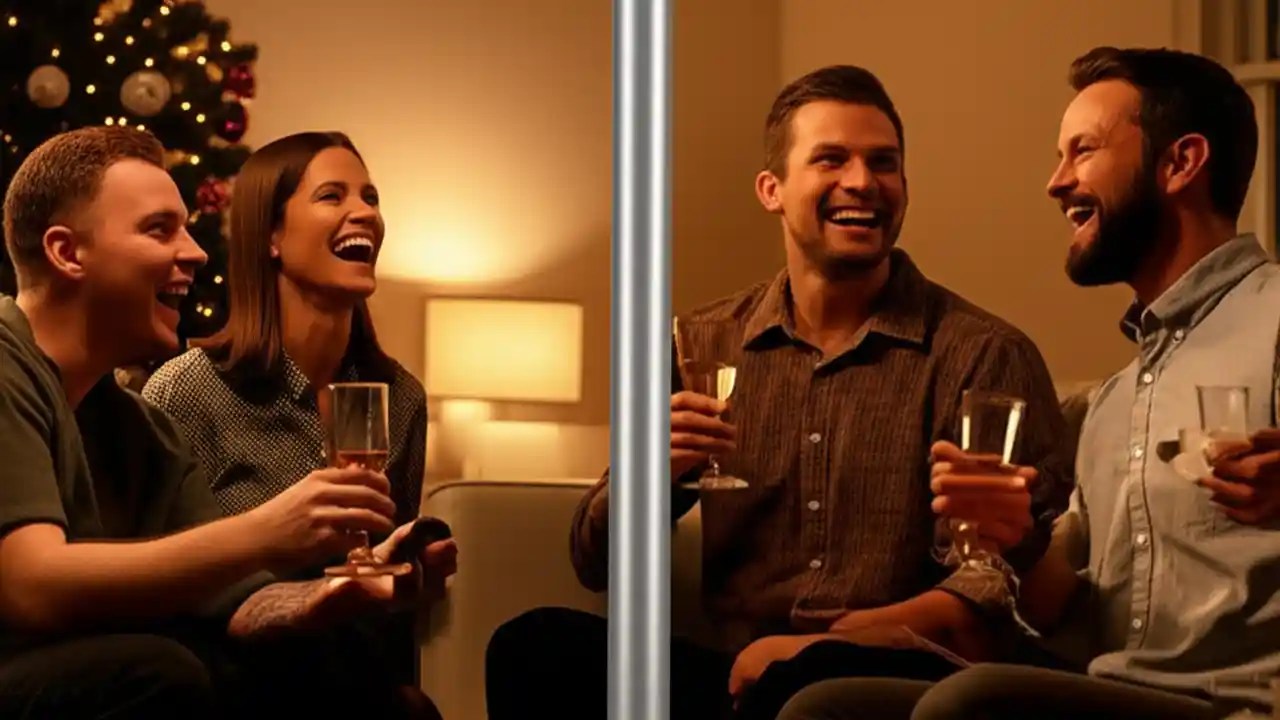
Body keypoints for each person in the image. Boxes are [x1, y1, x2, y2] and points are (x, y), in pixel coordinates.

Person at [484, 64, 1075, 720]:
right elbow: (594, 562)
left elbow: (994, 590)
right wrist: (651, 475)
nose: (862, 182)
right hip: (738, 671)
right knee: (532, 645)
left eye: (884, 163)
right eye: (831, 159)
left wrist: (811, 646)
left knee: (809, 682)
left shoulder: (983, 354)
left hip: (890, 676)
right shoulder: (704, 343)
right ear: (772, 189)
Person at [776, 46, 1280, 720]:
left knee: (971, 702)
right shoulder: (1116, 399)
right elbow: (1070, 614)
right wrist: (1017, 538)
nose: (1056, 181)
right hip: (1117, 696)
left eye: (1083, 150)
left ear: (1180, 163)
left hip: (1241, 707)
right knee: (826, 705)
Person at [0, 125, 445, 720]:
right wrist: (268, 530)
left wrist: (344, 592)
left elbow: (236, 601)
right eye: (159, 230)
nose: (197, 251)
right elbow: (32, 588)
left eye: (186, 227)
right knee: (159, 670)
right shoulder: (6, 363)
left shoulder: (139, 428)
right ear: (66, 252)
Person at [140, 131, 452, 717]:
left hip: (357, 671)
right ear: (273, 237)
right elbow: (166, 586)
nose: (365, 212)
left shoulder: (401, 397)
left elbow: (386, 591)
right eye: (332, 196)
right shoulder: (188, 389)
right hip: (228, 676)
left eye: (371, 197)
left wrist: (410, 569)